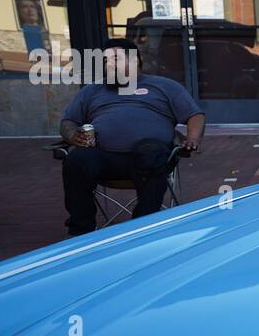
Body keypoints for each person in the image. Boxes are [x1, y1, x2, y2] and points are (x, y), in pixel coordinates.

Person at [59, 39, 204, 235]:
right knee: (76, 160)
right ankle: (82, 232)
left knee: (152, 151)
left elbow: (195, 115)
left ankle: (141, 228)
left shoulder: (164, 86)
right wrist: (71, 135)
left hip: (150, 158)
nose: (108, 64)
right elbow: (68, 121)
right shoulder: (92, 90)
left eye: (115, 59)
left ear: (135, 60)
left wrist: (192, 138)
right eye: (105, 60)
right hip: (104, 157)